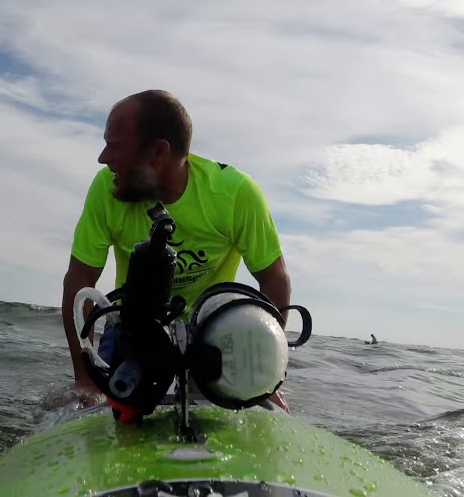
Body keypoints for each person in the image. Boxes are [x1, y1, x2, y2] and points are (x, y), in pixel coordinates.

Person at [61, 89, 295, 411]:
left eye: (114, 146)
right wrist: (85, 377)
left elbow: (274, 279)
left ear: (158, 152)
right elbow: (80, 281)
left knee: (258, 406)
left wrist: (264, 371)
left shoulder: (234, 194)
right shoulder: (106, 189)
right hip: (136, 326)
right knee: (98, 405)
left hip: (213, 333)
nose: (103, 158)